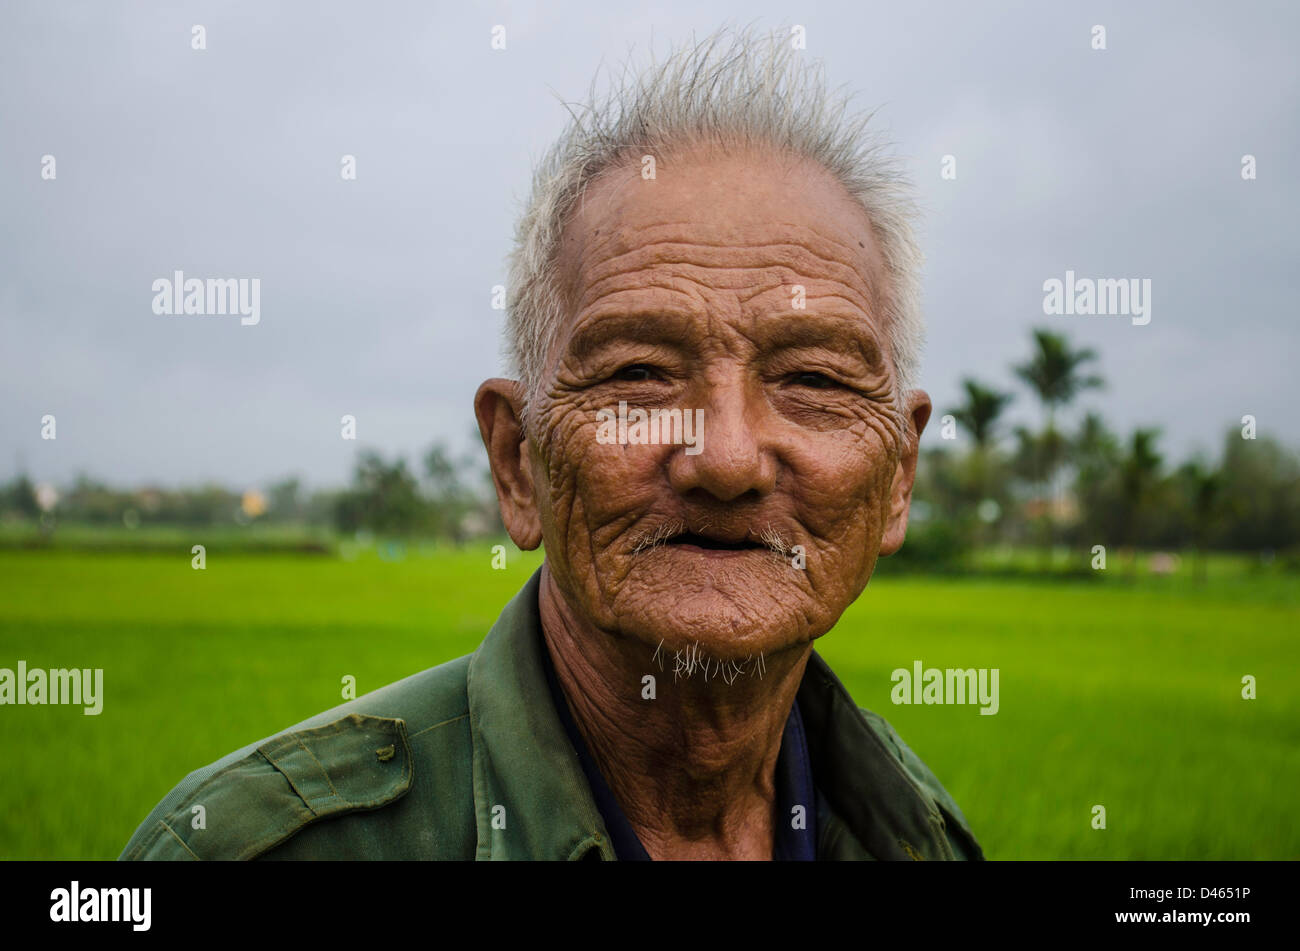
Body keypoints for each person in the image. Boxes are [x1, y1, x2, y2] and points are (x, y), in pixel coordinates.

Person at [121, 27, 982, 862]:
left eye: (815, 382)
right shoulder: (248, 849)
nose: (725, 459)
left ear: (898, 477)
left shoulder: (918, 833)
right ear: (517, 461)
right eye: (640, 373)